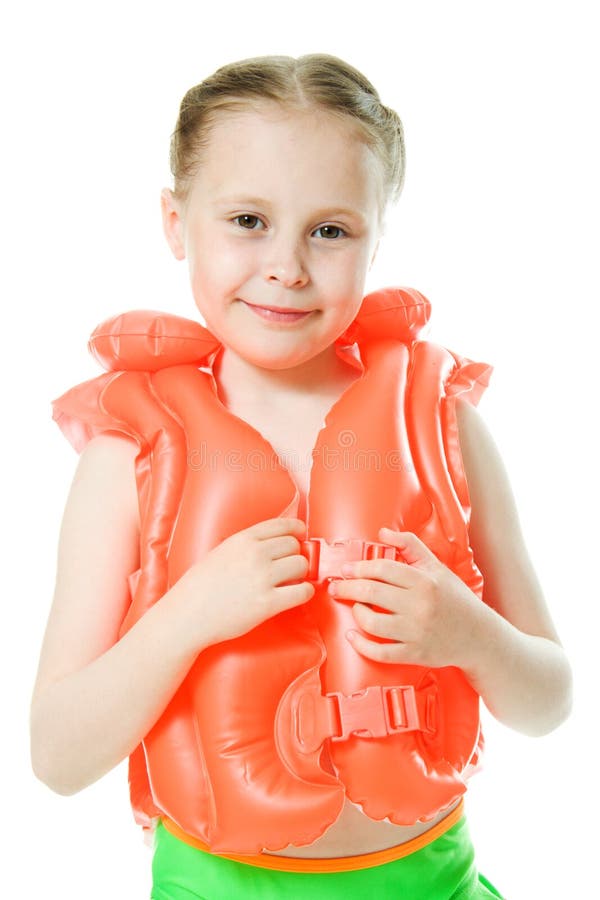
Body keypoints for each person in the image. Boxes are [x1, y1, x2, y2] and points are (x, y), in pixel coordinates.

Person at [30, 54, 572, 899]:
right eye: (247, 219)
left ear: (376, 235)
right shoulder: (129, 457)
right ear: (176, 223)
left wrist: (466, 633)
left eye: (331, 230)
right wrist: (189, 618)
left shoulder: (439, 425)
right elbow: (58, 757)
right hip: (213, 885)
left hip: (433, 878)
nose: (286, 265)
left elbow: (549, 700)